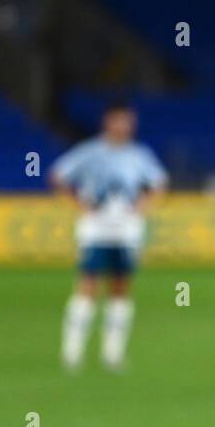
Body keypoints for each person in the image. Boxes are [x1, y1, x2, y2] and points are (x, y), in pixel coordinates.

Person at [52, 100, 167, 372]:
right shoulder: (91, 152)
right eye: (119, 120)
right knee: (88, 285)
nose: (124, 126)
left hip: (126, 230)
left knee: (120, 288)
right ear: (107, 122)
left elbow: (159, 184)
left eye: (128, 120)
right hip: (96, 228)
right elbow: (58, 175)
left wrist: (142, 208)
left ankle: (112, 354)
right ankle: (72, 352)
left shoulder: (139, 154)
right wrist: (80, 205)